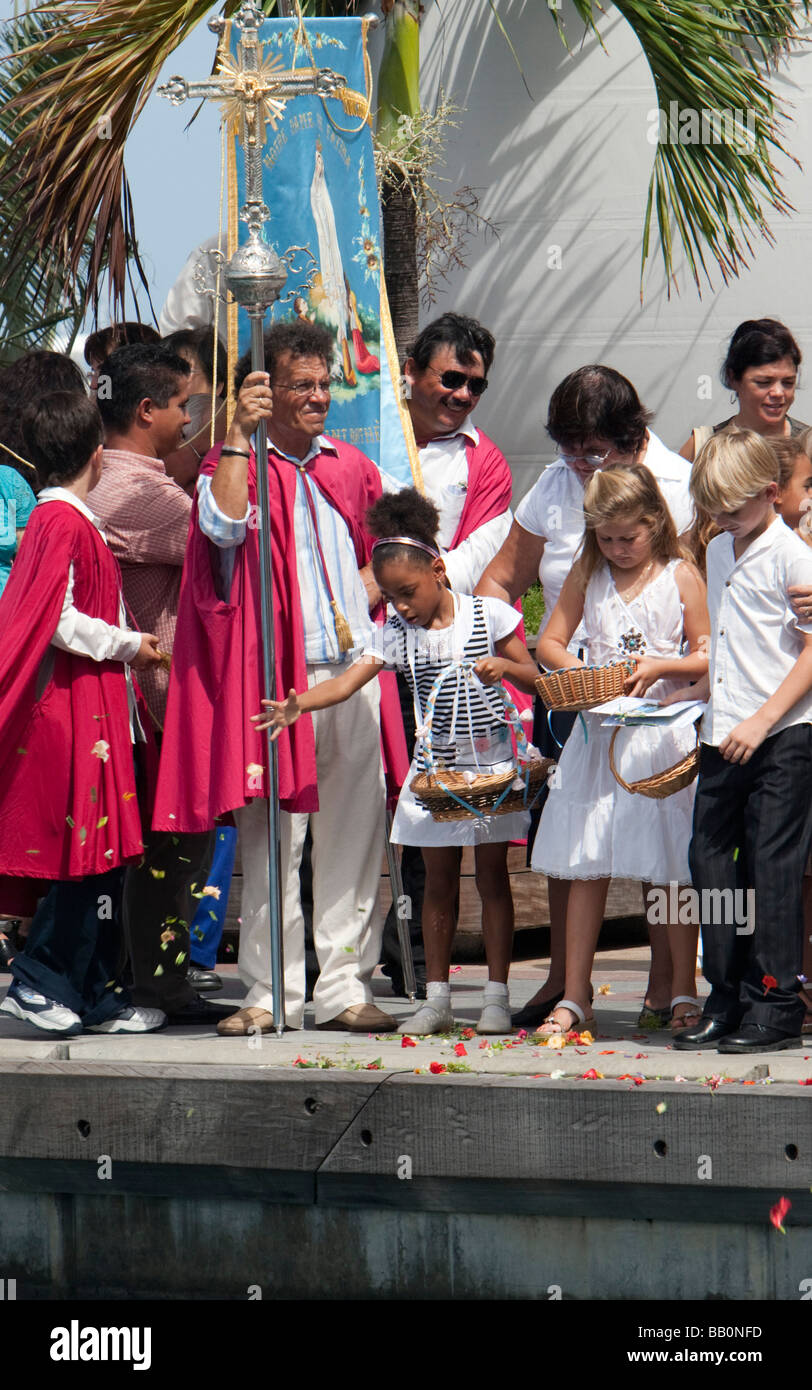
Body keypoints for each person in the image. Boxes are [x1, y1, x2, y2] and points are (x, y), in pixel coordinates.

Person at [153, 319, 408, 1035]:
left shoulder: (353, 467)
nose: (319, 397)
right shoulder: (231, 462)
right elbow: (224, 525)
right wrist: (238, 432)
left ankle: (344, 987)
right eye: (302, 385)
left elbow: (400, 549)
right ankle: (270, 994)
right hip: (275, 687)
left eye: (326, 384)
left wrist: (367, 589)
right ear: (264, 390)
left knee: (353, 843)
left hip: (350, 680)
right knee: (274, 844)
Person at [256, 488, 540, 1035]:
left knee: (491, 876)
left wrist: (502, 666)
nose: (401, 606)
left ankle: (497, 996)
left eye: (407, 592)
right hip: (435, 773)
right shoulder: (396, 633)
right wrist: (299, 703)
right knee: (434, 882)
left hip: (492, 770)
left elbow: (535, 676)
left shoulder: (489, 613)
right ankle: (436, 998)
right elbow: (348, 681)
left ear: (438, 569)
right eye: (390, 596)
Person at [477, 365, 693, 1028]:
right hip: (580, 704)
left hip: (664, 714)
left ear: (632, 438)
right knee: (578, 843)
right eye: (566, 449)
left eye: (592, 452)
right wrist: (535, 668)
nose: (575, 464)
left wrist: (669, 670)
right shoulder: (554, 489)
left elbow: (703, 615)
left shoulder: (682, 489)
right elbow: (498, 581)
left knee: (666, 854)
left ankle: (671, 986)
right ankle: (570, 986)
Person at [0, 391, 165, 1035]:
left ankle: (94, 990)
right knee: (81, 853)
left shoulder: (63, 521)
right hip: (72, 717)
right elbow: (59, 620)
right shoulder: (59, 523)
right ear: (97, 454)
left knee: (99, 855)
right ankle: (39, 978)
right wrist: (130, 644)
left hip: (94, 713)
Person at [530, 465, 709, 1038]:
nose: (617, 549)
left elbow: (708, 653)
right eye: (606, 539)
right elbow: (550, 641)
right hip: (600, 732)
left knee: (670, 868)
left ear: (654, 522)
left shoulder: (681, 576)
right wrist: (585, 674)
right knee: (587, 863)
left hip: (659, 734)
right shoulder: (589, 573)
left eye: (627, 537)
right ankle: (577, 994)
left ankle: (684, 988)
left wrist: (664, 667)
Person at [88, 343, 234, 1024]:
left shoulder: (109, 479)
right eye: (183, 406)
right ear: (146, 410)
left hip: (145, 704)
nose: (189, 420)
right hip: (158, 706)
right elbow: (234, 537)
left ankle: (151, 980)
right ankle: (157, 987)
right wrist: (237, 443)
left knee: (166, 853)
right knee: (170, 854)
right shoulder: (141, 492)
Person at [380, 312, 518, 998]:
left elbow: (468, 563)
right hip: (366, 641)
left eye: (476, 386)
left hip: (440, 656)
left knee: (427, 810)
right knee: (352, 808)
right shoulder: (367, 433)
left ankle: (411, 969)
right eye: (451, 378)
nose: (463, 395)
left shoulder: (485, 462)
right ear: (412, 371)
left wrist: (406, 589)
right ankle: (325, 970)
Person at [670, 429, 812, 1052]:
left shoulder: (793, 556)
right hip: (722, 729)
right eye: (714, 508)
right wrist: (694, 695)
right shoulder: (721, 550)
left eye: (734, 506)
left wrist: (762, 719)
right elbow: (731, 643)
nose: (723, 519)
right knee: (708, 859)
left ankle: (775, 1002)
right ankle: (726, 994)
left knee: (771, 867)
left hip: (781, 733)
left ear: (772, 493)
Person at [679, 318, 807, 462]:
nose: (778, 393)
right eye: (764, 382)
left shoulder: (808, 447)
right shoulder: (701, 447)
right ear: (732, 378)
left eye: (788, 382)